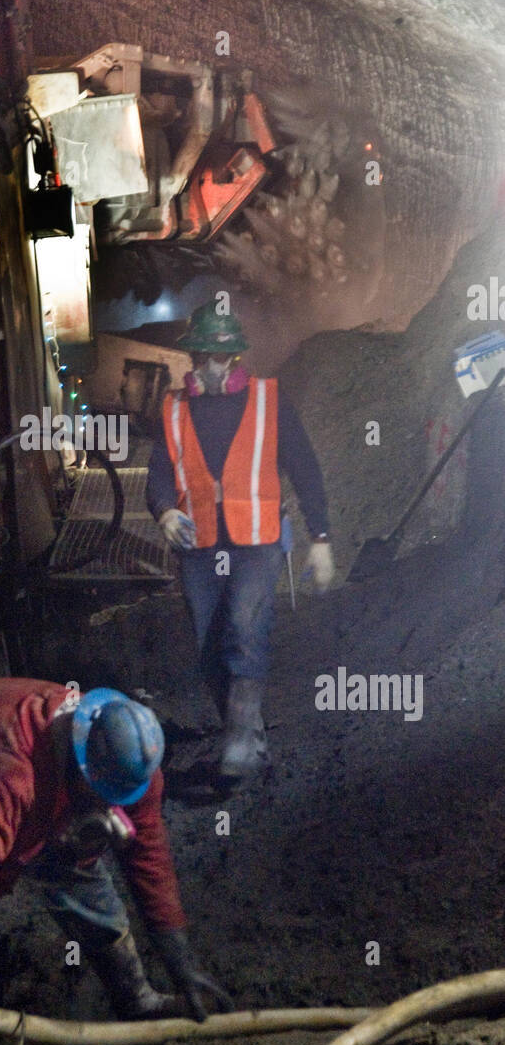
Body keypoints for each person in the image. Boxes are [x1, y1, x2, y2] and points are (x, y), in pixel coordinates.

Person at [0, 678, 231, 1043]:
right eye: (100, 793)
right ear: (82, 764)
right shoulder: (12, 763)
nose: (109, 806)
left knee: (71, 858)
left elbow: (149, 857)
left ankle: (135, 996)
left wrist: (182, 965)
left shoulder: (134, 766)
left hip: (20, 773)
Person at [147, 301, 334, 784]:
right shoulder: (172, 408)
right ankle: (247, 734)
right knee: (211, 644)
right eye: (202, 355)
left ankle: (238, 742)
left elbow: (305, 467)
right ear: (191, 356)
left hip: (256, 541)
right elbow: (159, 476)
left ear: (234, 359)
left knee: (244, 627)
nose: (210, 366)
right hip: (200, 544)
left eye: (219, 356)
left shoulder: (270, 401)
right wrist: (165, 510)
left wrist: (321, 536)